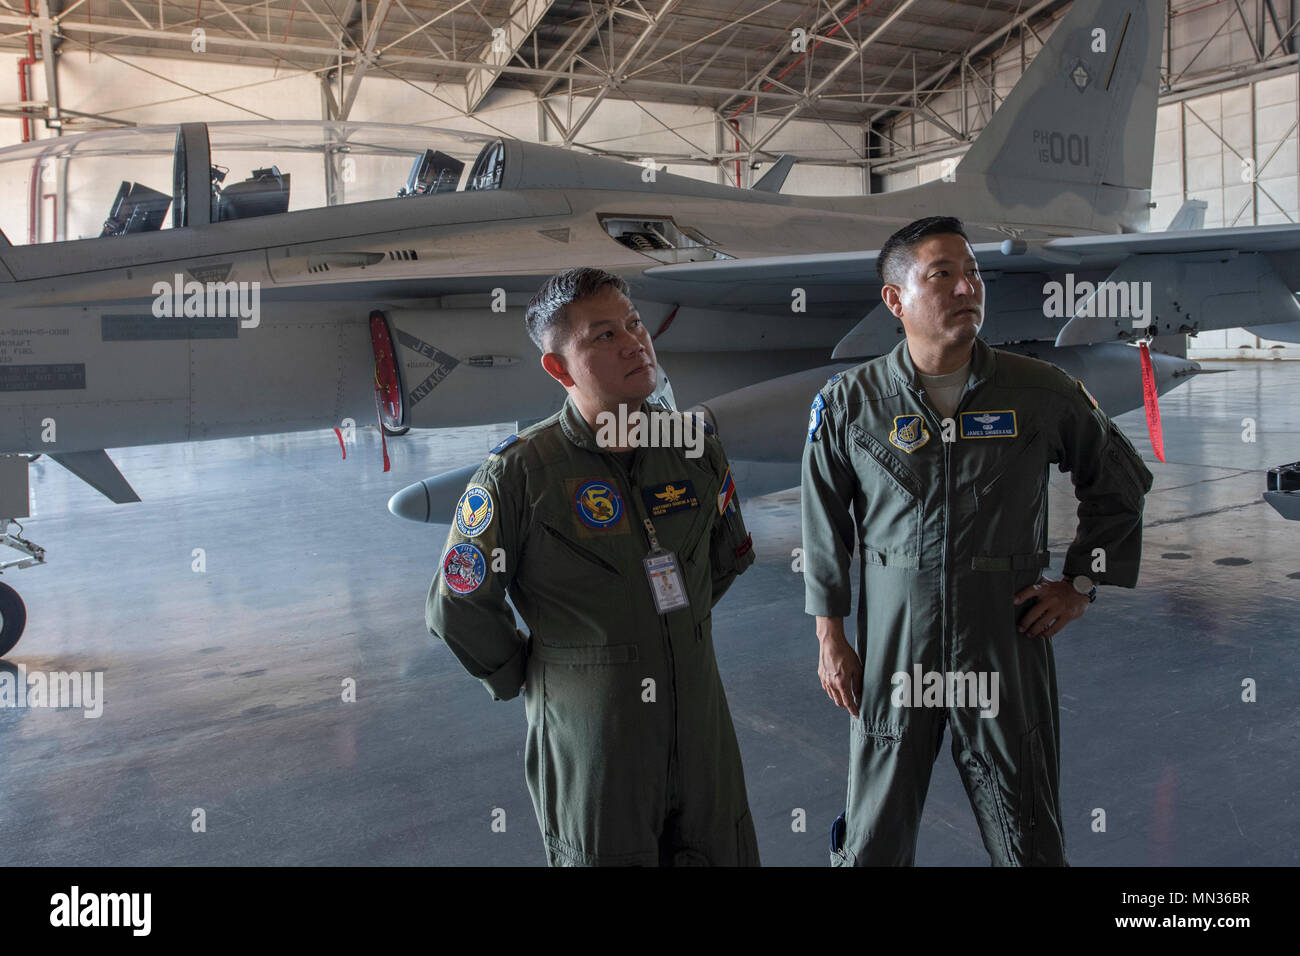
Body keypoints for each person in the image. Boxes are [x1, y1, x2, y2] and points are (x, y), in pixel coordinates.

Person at [802, 216, 1153, 866]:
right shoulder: (852, 401)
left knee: (1026, 833)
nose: (967, 286)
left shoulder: (1040, 390)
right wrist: (830, 638)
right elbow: (823, 522)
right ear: (895, 299)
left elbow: (1120, 483)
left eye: (973, 273)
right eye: (943, 274)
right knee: (874, 835)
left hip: (1006, 637)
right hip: (894, 647)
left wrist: (1080, 584)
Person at [426, 266, 759, 867]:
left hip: (703, 729)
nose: (634, 341)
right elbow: (457, 604)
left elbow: (724, 557)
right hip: (594, 744)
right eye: (603, 336)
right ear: (558, 367)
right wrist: (537, 675)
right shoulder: (521, 474)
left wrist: (671, 631)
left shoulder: (693, 447)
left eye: (634, 324)